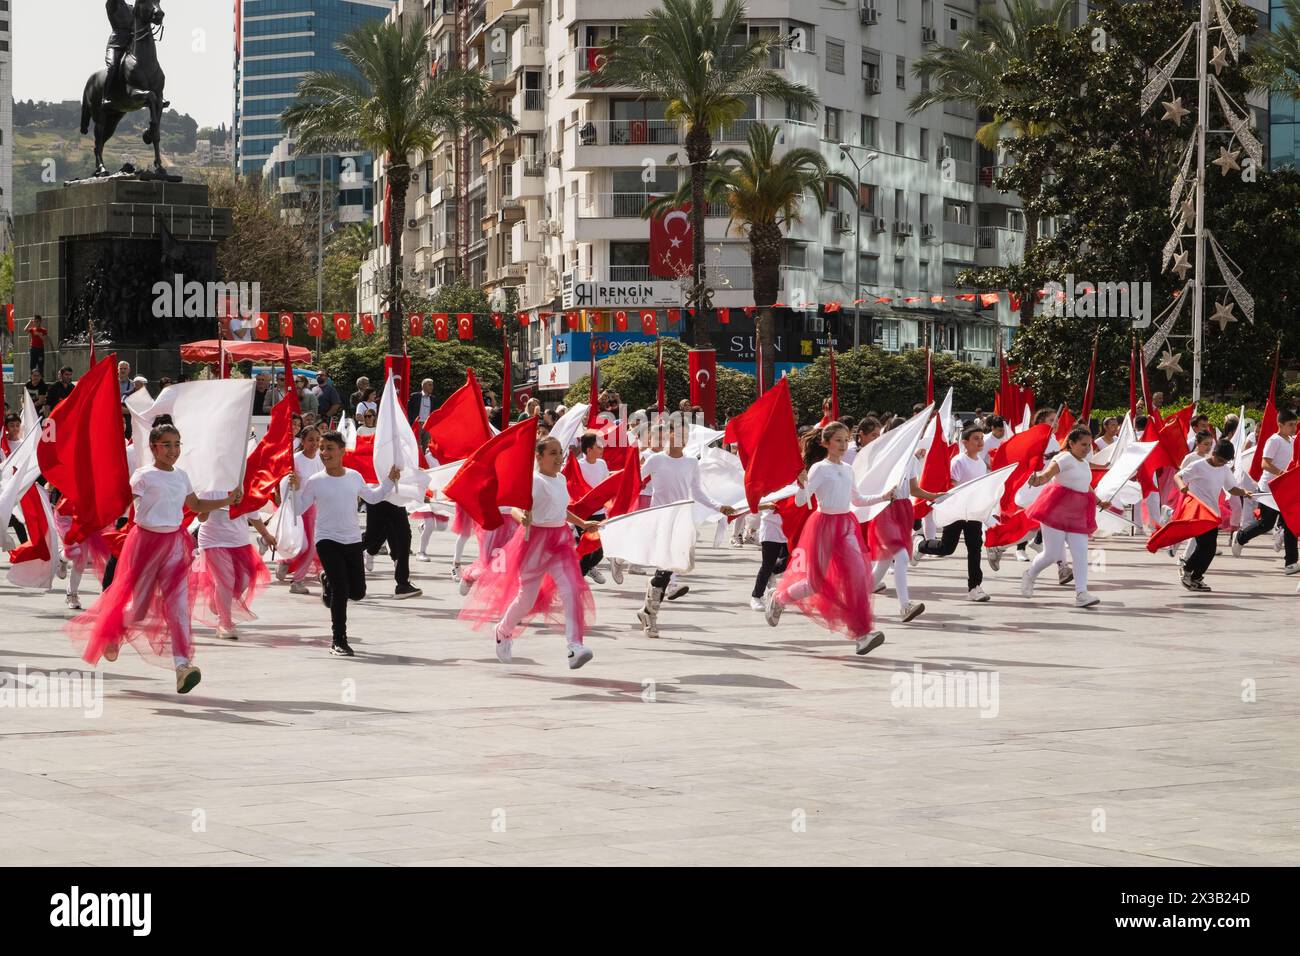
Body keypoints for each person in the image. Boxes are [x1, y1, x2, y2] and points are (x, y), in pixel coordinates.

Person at [68, 423, 241, 694]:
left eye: (177, 444)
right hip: (145, 544)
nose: (173, 450)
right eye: (167, 445)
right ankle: (113, 630)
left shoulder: (181, 475)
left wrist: (227, 500)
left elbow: (195, 506)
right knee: (138, 609)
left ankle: (183, 666)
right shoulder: (143, 476)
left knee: (178, 607)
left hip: (174, 544)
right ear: (153, 448)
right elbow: (120, 502)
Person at [459, 436, 597, 669]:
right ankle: (502, 631)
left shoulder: (561, 478)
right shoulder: (533, 480)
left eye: (559, 452)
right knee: (527, 598)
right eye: (552, 453)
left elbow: (561, 511)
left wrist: (582, 523)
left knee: (572, 588)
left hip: (560, 541)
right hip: (534, 541)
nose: (558, 457)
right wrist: (522, 517)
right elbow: (515, 507)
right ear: (539, 457)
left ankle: (574, 646)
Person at [765, 422, 889, 655]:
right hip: (824, 527)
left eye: (846, 439)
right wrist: (801, 484)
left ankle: (862, 634)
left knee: (857, 577)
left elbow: (858, 499)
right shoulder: (819, 469)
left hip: (846, 526)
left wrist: (884, 496)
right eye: (838, 440)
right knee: (816, 582)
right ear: (825, 443)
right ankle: (779, 597)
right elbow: (803, 501)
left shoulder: (848, 469)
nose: (843, 445)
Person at [290, 430, 399, 656]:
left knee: (358, 592)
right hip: (327, 539)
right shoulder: (315, 481)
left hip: (351, 539)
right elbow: (299, 509)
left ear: (342, 451)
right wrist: (295, 488)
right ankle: (338, 640)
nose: (324, 453)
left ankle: (326, 579)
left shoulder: (354, 476)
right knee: (341, 590)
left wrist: (389, 481)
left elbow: (374, 497)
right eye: (322, 448)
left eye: (329, 448)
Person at [637, 422, 736, 637]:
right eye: (677, 434)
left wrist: (719, 506)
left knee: (667, 569)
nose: (681, 438)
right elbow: (634, 482)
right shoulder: (655, 460)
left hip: (681, 519)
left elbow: (698, 493)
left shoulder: (691, 462)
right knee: (664, 568)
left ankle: (648, 611)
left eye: (685, 435)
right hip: (661, 519)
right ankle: (650, 615)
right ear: (668, 436)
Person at [1020, 426, 1103, 608]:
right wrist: (1036, 480)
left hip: (1077, 514)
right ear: (1071, 444)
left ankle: (1081, 593)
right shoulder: (1063, 458)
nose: (1087, 448)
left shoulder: (1084, 463)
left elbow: (1086, 485)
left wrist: (1099, 501)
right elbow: (1046, 476)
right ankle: (1030, 575)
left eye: (1089, 445)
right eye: (1083, 444)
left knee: (1080, 553)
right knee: (1051, 554)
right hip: (1055, 511)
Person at [916, 425, 991, 602]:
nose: (980, 442)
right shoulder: (958, 461)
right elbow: (951, 485)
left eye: (981, 438)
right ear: (965, 442)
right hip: (956, 510)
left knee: (975, 548)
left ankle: (974, 587)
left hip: (972, 512)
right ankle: (920, 544)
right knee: (947, 548)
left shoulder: (981, 463)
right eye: (976, 438)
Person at [190, 490, 276, 640]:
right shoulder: (210, 489)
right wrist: (221, 503)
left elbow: (254, 516)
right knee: (225, 581)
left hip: (239, 541)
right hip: (213, 541)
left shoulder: (244, 489)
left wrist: (266, 535)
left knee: (243, 580)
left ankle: (217, 601)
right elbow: (201, 517)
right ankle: (225, 624)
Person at [1176, 440, 1254, 592]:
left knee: (1209, 549)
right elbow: (1178, 476)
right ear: (1213, 453)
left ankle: (1196, 577)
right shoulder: (1198, 466)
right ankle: (1186, 570)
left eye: (1225, 461)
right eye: (1219, 460)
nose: (1221, 463)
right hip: (1198, 512)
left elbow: (1231, 488)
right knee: (1205, 546)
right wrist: (1182, 487)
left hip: (1213, 514)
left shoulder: (1224, 469)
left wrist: (1244, 492)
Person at [1231, 409, 1299, 572]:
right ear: (1280, 425)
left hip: (1283, 489)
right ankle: (1240, 537)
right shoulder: (1274, 440)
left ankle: (1290, 563)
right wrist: (1283, 474)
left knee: (1290, 525)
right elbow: (1264, 464)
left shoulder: (1291, 440)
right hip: (1269, 488)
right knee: (1266, 524)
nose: (1293, 428)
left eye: (1295, 425)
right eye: (1290, 425)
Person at [574, 432, 611, 583]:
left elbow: (606, 484)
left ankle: (586, 570)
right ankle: (575, 582)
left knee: (600, 552)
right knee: (586, 551)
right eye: (598, 446)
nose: (602, 449)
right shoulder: (577, 465)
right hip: (582, 514)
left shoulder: (602, 464)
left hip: (599, 512)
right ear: (588, 449)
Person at [103, 0, 134, 98]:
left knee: (148, 62)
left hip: (131, 43)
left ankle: (157, 94)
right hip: (116, 44)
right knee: (112, 67)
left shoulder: (131, 8)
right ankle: (106, 97)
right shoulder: (112, 4)